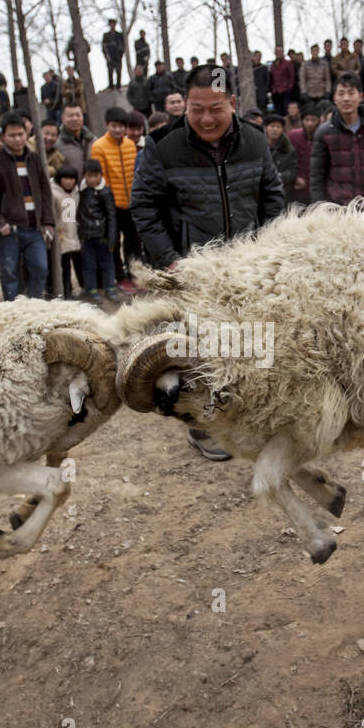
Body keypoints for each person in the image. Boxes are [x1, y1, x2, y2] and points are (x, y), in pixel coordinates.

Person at [130, 63, 284, 461]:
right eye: (196, 108)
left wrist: (267, 248)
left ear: (232, 103)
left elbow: (272, 196)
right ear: (185, 106)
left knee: (254, 342)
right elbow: (144, 207)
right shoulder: (162, 146)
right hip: (194, 267)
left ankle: (253, 419)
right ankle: (205, 426)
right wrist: (170, 260)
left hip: (249, 266)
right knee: (203, 352)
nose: (206, 118)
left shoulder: (254, 141)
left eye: (215, 107)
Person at [0, 112, 55, 301]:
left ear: (26, 133)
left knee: (40, 268)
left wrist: (47, 222)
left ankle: (34, 305)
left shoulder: (34, 158)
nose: (17, 139)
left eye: (21, 134)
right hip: (9, 229)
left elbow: (45, 191)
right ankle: (14, 311)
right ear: (3, 136)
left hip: (34, 227)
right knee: (10, 274)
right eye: (12, 135)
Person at [310, 72, 364, 205]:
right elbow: (317, 175)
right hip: (338, 207)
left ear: (360, 96)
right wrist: (320, 207)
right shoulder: (324, 132)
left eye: (351, 93)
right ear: (334, 98)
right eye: (341, 93)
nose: (346, 99)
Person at [88, 105, 138, 290]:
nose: (118, 130)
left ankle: (134, 274)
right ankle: (120, 277)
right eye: (114, 126)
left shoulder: (130, 145)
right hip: (111, 204)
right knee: (114, 243)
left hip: (131, 202)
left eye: (121, 126)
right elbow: (100, 177)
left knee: (133, 242)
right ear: (107, 125)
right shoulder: (99, 146)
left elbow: (135, 172)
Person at [77, 158, 119, 303]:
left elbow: (111, 215)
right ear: (84, 175)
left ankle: (110, 289)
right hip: (86, 236)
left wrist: (112, 237)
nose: (93, 179)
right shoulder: (80, 191)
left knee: (107, 264)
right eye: (89, 176)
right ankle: (91, 289)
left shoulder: (105, 192)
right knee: (89, 265)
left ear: (101, 175)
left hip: (102, 236)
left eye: (96, 176)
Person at [50, 163, 83, 299]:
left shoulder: (75, 192)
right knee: (59, 267)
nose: (69, 182)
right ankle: (60, 292)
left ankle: (69, 291)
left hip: (71, 234)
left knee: (68, 266)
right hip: (59, 235)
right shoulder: (53, 193)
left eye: (72, 178)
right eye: (65, 178)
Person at [287, 104, 320, 205]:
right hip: (297, 187)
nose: (310, 123)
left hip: (317, 187)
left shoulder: (322, 137)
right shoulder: (292, 136)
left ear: (318, 121)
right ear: (302, 121)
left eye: (313, 120)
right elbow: (287, 160)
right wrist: (295, 177)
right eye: (307, 120)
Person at [264, 114, 298, 206]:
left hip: (282, 191)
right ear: (266, 128)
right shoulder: (259, 146)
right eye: (272, 126)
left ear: (282, 129)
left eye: (278, 127)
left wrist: (279, 177)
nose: (275, 129)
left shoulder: (288, 149)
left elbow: (293, 170)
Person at [56, 104, 95, 173]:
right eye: (70, 116)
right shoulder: (57, 144)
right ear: (62, 118)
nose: (75, 119)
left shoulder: (93, 141)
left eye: (78, 115)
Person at [270, 46, 296, 114]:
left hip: (285, 91)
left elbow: (292, 77)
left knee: (286, 111)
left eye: (280, 52)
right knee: (277, 111)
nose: (279, 53)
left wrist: (289, 89)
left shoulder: (288, 63)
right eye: (277, 52)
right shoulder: (273, 64)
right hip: (275, 92)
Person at [102, 19, 125, 89]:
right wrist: (106, 56)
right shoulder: (106, 35)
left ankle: (118, 86)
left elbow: (123, 45)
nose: (112, 25)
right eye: (111, 24)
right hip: (110, 56)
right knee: (110, 71)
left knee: (118, 71)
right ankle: (111, 86)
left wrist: (120, 54)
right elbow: (103, 47)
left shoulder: (119, 35)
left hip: (118, 56)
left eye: (113, 24)